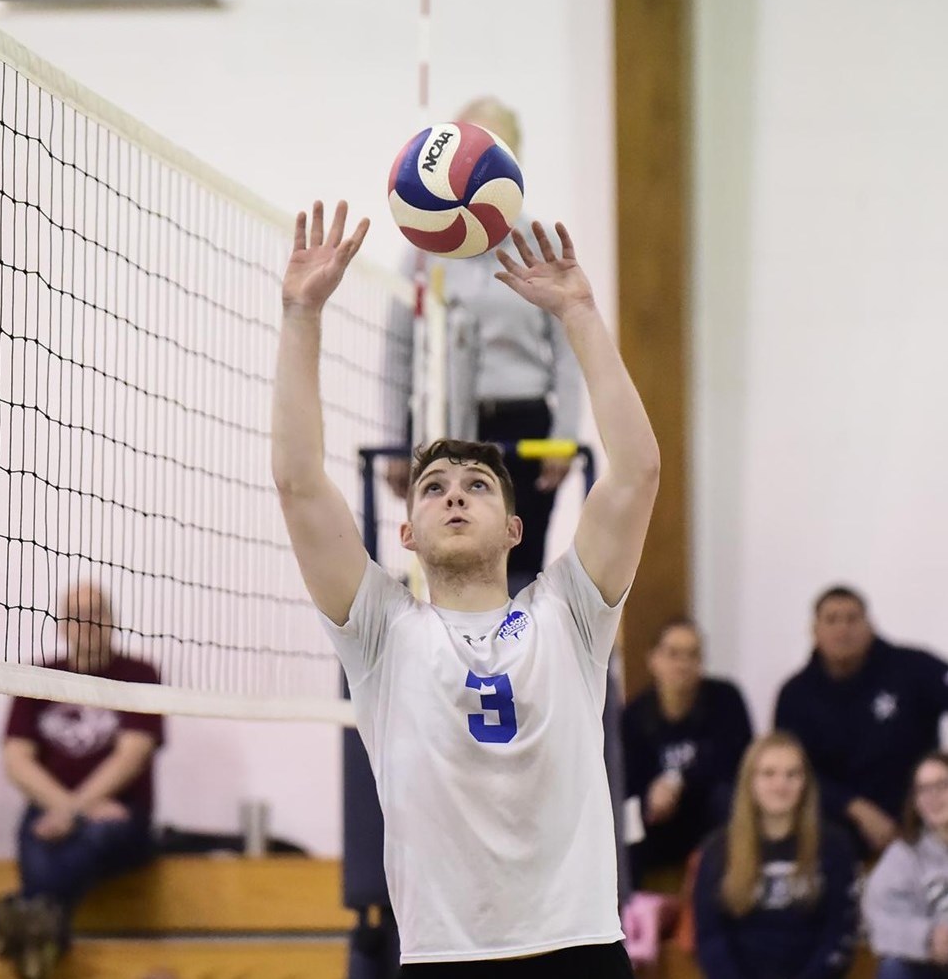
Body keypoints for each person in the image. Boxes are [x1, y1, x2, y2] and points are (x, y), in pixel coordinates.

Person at [273, 202, 659, 976]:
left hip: (578, 948)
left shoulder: (570, 613)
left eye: (478, 484)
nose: (454, 494)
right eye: (434, 486)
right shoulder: (381, 631)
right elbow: (298, 483)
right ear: (406, 533)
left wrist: (579, 313)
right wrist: (300, 315)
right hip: (446, 958)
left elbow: (637, 471)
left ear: (515, 529)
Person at [384, 97, 584, 590]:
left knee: (518, 563)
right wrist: (394, 440)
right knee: (445, 557)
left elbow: (568, 350)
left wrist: (564, 435)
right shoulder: (422, 248)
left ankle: (511, 663)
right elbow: (398, 353)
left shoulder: (535, 243)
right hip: (444, 420)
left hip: (524, 422)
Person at [0, 581, 163, 979]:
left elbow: (132, 755)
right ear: (61, 625)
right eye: (75, 614)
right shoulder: (39, 677)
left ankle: (29, 920)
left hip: (122, 817)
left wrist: (74, 811)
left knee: (94, 835)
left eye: (96, 612)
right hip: (51, 812)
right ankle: (45, 934)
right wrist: (69, 809)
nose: (86, 622)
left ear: (112, 621)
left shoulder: (138, 674)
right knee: (36, 835)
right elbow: (16, 758)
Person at [775, 586, 948, 857]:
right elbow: (794, 769)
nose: (843, 629)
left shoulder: (914, 668)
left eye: (852, 619)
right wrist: (856, 809)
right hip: (835, 819)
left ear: (870, 626)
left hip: (918, 809)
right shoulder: (795, 694)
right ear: (815, 631)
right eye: (832, 620)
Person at [692, 732, 859, 979]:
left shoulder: (836, 846)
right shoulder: (716, 849)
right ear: (750, 782)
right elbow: (710, 938)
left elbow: (839, 936)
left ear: (806, 783)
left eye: (792, 774)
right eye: (769, 774)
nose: (781, 785)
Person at [624, 618, 753, 883]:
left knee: (727, 799)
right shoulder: (634, 716)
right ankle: (629, 910)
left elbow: (738, 765)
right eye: (673, 654)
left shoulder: (725, 699)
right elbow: (626, 781)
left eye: (692, 654)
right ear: (654, 660)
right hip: (658, 822)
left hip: (706, 817)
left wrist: (678, 782)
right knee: (626, 816)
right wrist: (651, 794)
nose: (683, 664)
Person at [862, 752, 948, 977]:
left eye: (942, 785)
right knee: (894, 967)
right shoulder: (903, 855)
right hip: (931, 966)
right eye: (923, 789)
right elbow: (878, 918)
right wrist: (928, 936)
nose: (932, 797)